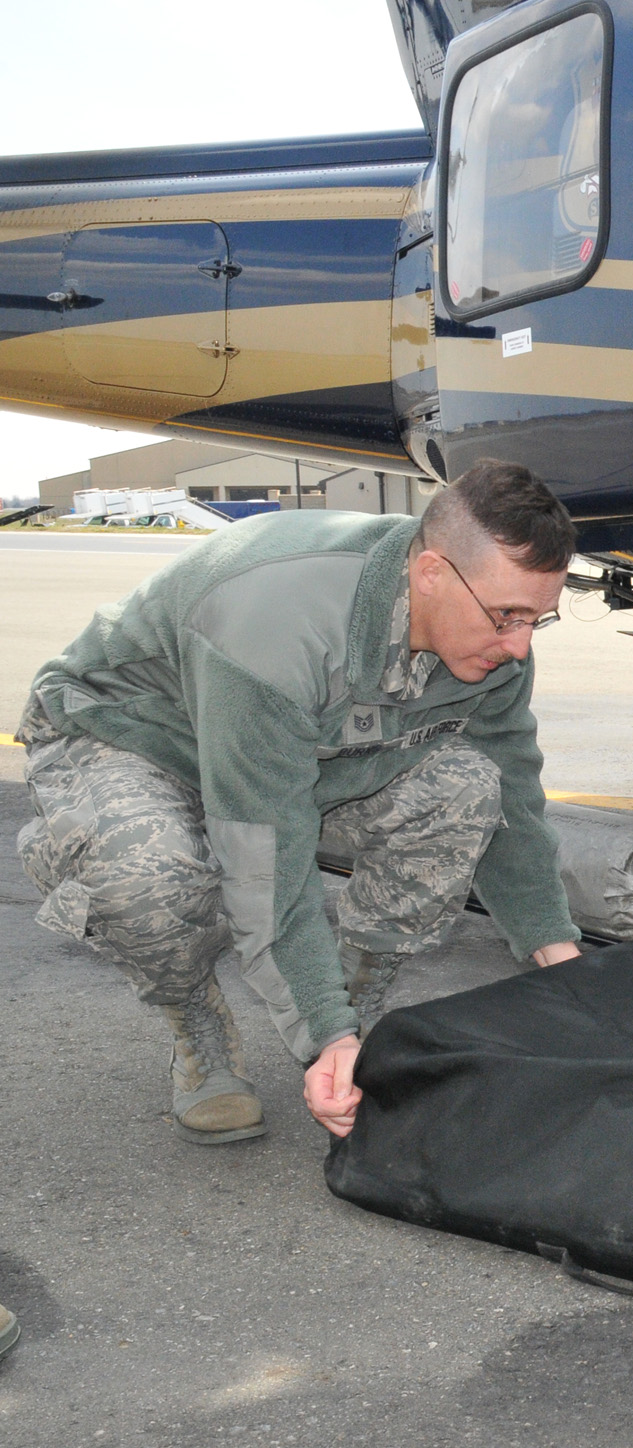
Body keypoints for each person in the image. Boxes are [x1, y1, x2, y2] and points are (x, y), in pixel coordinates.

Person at [15, 460, 584, 1144]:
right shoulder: (280, 625)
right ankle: (200, 1026)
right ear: (431, 573)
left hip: (292, 748)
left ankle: (357, 1012)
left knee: (464, 792)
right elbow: (266, 862)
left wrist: (559, 958)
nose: (519, 647)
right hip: (133, 740)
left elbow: (514, 801)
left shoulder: (486, 640)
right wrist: (321, 1030)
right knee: (145, 877)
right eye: (506, 618)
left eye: (536, 621)